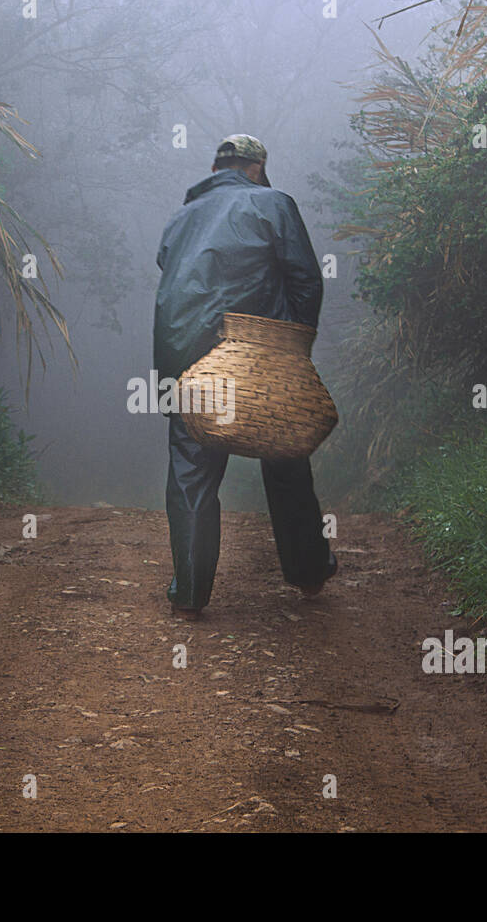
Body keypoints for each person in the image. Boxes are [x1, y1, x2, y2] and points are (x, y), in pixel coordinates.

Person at [153, 135, 338, 621]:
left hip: (189, 364)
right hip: (258, 360)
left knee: (191, 473)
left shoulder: (180, 218)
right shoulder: (273, 203)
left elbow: (171, 278)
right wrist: (295, 352)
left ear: (217, 168)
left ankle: (190, 592)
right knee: (287, 459)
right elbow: (305, 279)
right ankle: (308, 572)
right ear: (256, 168)